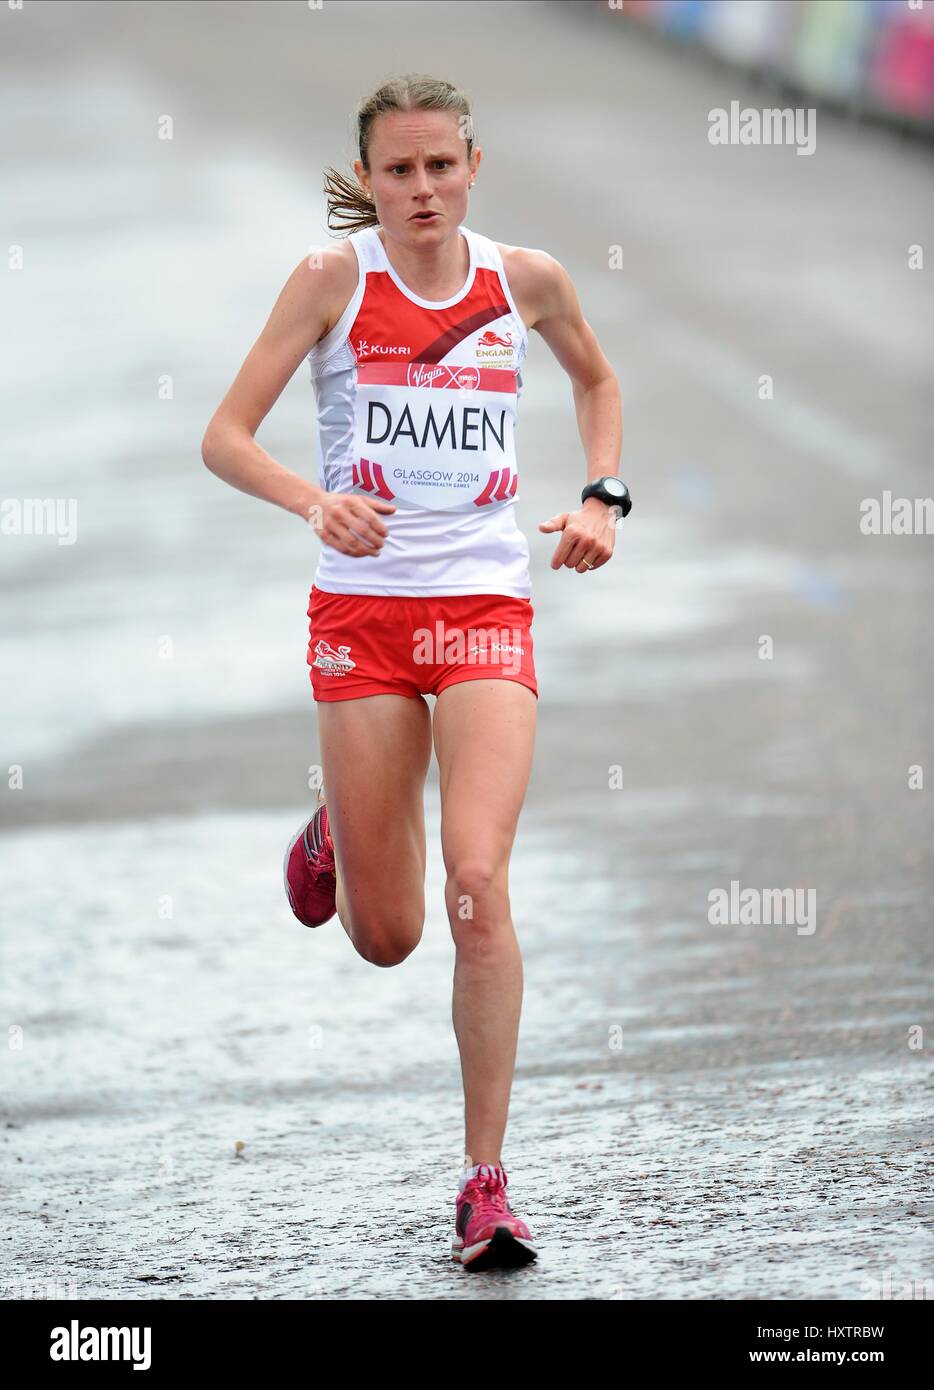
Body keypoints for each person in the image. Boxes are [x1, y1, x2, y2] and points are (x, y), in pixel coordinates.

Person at [201, 73, 627, 1273]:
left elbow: (598, 381)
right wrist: (313, 500)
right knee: (386, 936)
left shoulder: (523, 280)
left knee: (478, 882)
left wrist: (602, 493)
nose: (423, 189)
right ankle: (340, 830)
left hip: (486, 606)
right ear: (370, 182)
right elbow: (224, 434)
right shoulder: (333, 282)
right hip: (367, 621)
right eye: (399, 171)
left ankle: (485, 1184)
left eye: (441, 166)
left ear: (472, 166)